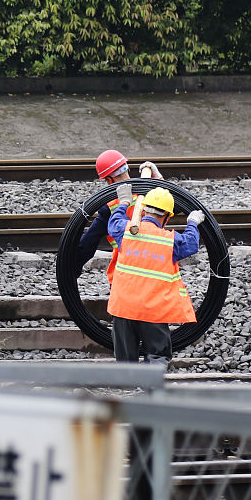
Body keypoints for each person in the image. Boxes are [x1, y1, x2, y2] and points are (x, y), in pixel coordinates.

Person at [105, 184, 205, 362]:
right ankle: (150, 389)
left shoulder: (125, 231)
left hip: (123, 307)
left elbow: (113, 223)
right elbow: (191, 243)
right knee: (157, 357)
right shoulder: (170, 241)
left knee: (125, 362)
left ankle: (128, 390)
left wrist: (124, 202)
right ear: (166, 217)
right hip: (153, 311)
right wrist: (192, 222)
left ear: (143, 211)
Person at [76, 150, 164, 273]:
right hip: (153, 269)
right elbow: (174, 204)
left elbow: (87, 244)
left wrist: (70, 270)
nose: (126, 176)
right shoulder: (149, 194)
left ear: (108, 180)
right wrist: (160, 181)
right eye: (122, 172)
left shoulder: (109, 207)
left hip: (124, 273)